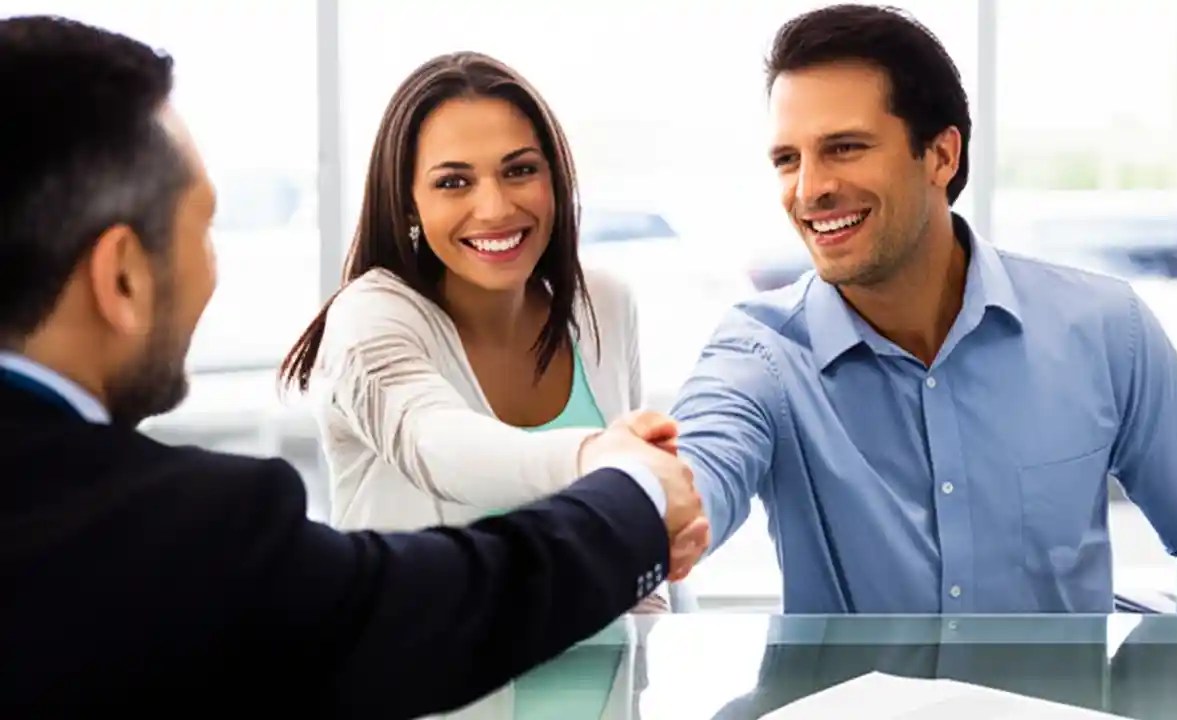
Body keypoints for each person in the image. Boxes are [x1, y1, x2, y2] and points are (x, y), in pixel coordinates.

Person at [0, 15, 707, 718]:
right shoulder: (179, 526)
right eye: (206, 226)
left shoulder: (604, 303)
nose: (494, 205)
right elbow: (438, 521)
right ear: (122, 275)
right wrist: (629, 484)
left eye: (520, 169)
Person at [669, 3, 1177, 614]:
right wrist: (648, 502)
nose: (808, 190)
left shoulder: (1103, 328)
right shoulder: (761, 352)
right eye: (787, 160)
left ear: (941, 156)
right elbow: (694, 478)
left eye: (845, 147)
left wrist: (1153, 699)